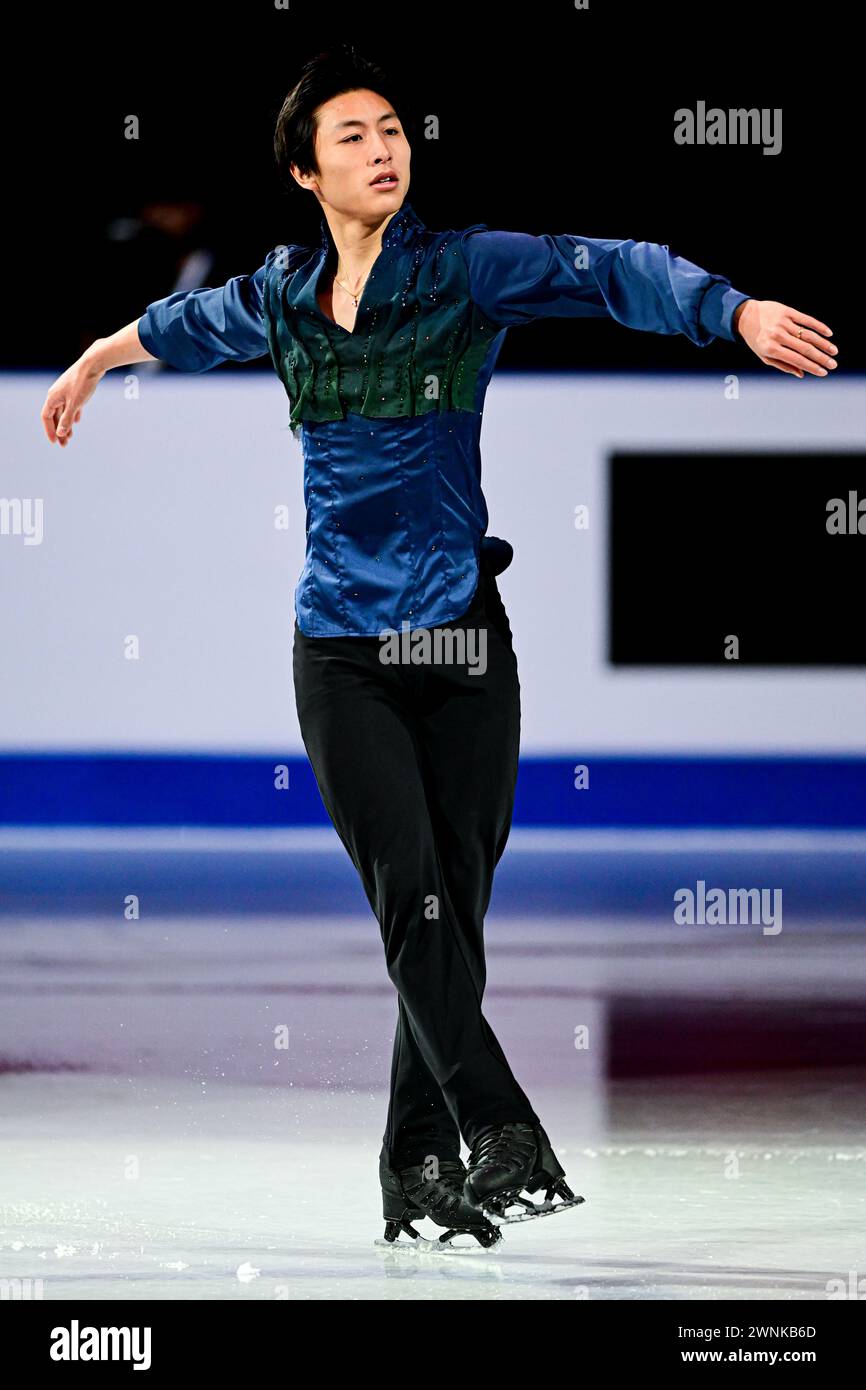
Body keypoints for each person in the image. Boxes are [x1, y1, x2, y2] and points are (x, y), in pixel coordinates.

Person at [40, 45, 838, 1249]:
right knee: (409, 899)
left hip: (461, 642)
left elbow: (606, 269)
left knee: (449, 913)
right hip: (340, 652)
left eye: (393, 128)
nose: (384, 147)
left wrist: (727, 309)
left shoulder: (463, 272)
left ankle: (410, 1162)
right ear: (305, 171)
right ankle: (497, 1123)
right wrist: (101, 355)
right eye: (353, 136)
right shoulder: (279, 297)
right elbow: (183, 325)